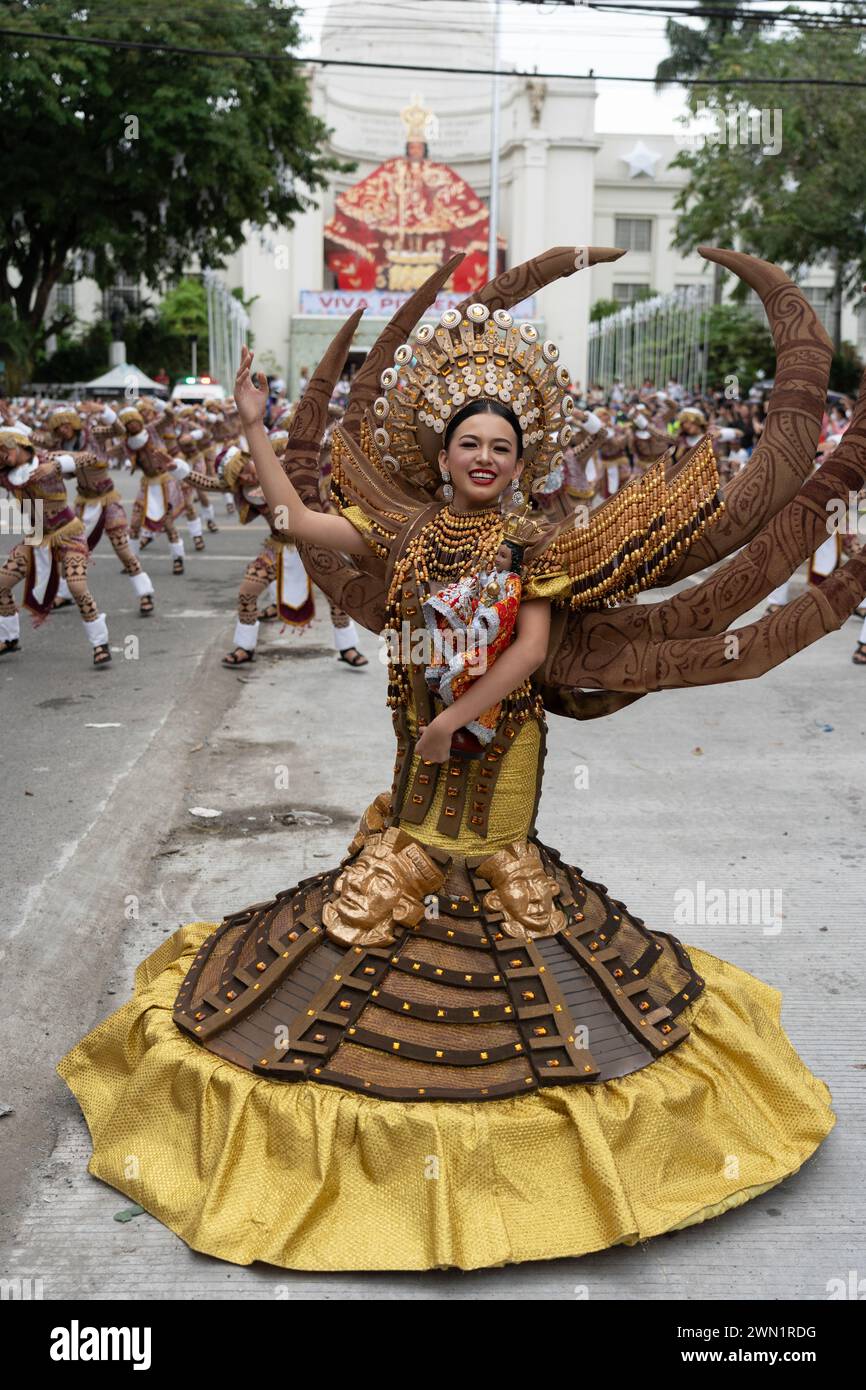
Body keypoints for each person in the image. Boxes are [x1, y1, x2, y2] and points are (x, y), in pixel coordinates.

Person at [57, 245, 866, 1272]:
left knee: (535, 943)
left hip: (496, 763)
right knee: (350, 930)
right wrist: (258, 431)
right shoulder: (403, 532)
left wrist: (458, 716)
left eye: (499, 445)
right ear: (441, 456)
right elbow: (301, 518)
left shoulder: (534, 547)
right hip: (417, 774)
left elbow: (529, 649)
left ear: (520, 462)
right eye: (468, 442)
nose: (482, 457)